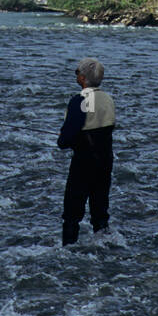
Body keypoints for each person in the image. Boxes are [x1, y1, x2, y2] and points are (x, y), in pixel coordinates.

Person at [57, 58, 115, 244]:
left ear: (82, 78)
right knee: (100, 211)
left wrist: (62, 139)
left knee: (72, 214)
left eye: (77, 72)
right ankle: (105, 246)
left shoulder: (81, 100)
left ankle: (68, 250)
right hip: (105, 161)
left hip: (84, 162)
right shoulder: (108, 98)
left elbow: (66, 139)